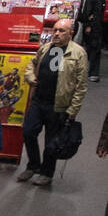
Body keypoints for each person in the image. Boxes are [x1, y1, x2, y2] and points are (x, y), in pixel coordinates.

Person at [18, 18, 88, 188]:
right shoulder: (45, 48)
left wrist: (73, 109)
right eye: (54, 30)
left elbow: (81, 85)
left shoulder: (78, 53)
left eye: (61, 31)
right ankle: (33, 165)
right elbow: (31, 64)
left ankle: (46, 173)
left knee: (51, 142)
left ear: (71, 33)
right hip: (38, 100)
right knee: (28, 131)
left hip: (58, 105)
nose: (56, 34)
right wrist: (30, 77)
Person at [80, 0, 107, 82]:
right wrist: (87, 24)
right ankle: (93, 73)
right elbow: (88, 9)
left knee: (95, 48)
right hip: (97, 24)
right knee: (95, 47)